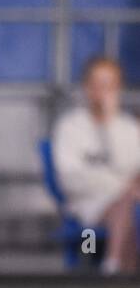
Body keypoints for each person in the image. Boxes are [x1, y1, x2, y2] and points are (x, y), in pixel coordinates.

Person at [51, 55, 140, 273]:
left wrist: (109, 126)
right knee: (127, 203)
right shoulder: (70, 127)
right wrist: (121, 187)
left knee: (129, 207)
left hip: (129, 203)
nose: (103, 91)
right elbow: (70, 178)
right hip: (87, 205)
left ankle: (116, 268)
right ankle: (113, 270)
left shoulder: (128, 128)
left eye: (110, 85)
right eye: (98, 84)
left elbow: (132, 168)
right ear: (87, 87)